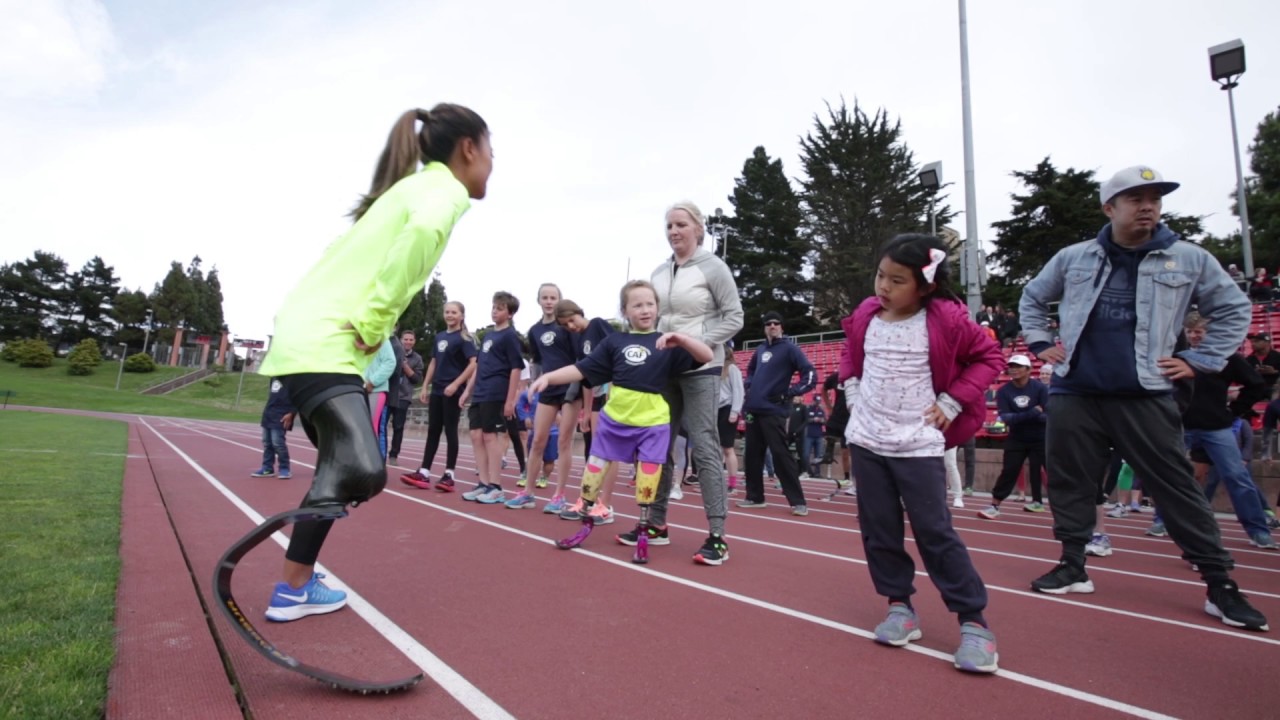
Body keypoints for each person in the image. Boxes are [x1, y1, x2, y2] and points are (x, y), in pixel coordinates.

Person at [256, 104, 492, 622]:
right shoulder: (442, 193)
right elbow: (422, 237)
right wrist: (372, 324)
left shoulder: (404, 189)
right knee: (360, 469)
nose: (492, 164)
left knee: (338, 469)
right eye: (490, 151)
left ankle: (296, 581)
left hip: (307, 333)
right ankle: (293, 587)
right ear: (468, 148)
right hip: (327, 339)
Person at [1020, 165, 1268, 632]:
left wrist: (1201, 359)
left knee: (1174, 485)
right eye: (1135, 199)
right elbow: (1032, 298)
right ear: (1109, 208)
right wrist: (1038, 342)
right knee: (1071, 482)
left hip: (1145, 394)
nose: (1148, 206)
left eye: (1154, 198)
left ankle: (1220, 584)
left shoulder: (1189, 259)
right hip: (1075, 389)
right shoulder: (1074, 257)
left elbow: (1234, 309)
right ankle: (1073, 564)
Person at [839, 234, 1003, 673]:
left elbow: (990, 358)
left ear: (925, 286)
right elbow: (849, 352)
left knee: (935, 532)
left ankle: (974, 623)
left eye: (896, 280)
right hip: (868, 440)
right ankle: (900, 607)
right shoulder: (867, 314)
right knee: (879, 530)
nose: (883, 287)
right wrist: (851, 386)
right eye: (880, 276)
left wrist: (953, 401)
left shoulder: (947, 318)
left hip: (917, 443)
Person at [531, 280, 712, 556]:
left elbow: (707, 356)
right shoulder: (615, 341)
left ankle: (643, 527)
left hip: (653, 422)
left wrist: (683, 339)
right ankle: (588, 516)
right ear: (625, 311)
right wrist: (548, 376)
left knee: (647, 479)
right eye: (637, 305)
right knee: (593, 471)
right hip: (616, 420)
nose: (645, 310)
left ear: (658, 308)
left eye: (650, 304)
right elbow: (581, 370)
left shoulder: (667, 343)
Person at [636, 201, 744, 566]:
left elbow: (735, 317)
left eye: (681, 224)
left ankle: (717, 534)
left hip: (701, 366)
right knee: (659, 444)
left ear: (698, 228)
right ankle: (656, 523)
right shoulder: (658, 272)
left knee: (704, 444)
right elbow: (651, 316)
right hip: (666, 369)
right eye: (668, 226)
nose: (673, 232)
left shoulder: (714, 267)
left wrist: (701, 342)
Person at [1178, 312, 1275, 548]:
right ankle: (1163, 522)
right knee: (1175, 477)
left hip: (1216, 426)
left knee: (1237, 477)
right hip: (1180, 425)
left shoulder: (1226, 357)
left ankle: (1258, 529)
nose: (1194, 336)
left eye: (1199, 331)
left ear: (1209, 333)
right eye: (1190, 332)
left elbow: (1256, 384)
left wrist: (1235, 411)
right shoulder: (1178, 356)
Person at [509, 284, 583, 512]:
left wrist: (576, 387)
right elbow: (538, 362)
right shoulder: (534, 331)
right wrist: (534, 387)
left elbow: (579, 357)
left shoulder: (567, 326)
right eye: (545, 297)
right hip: (547, 389)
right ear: (539, 301)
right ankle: (528, 492)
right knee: (537, 439)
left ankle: (559, 495)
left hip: (570, 386)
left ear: (559, 300)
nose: (549, 301)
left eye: (553, 297)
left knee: (563, 441)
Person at [736, 312, 817, 516]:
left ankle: (798, 501)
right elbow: (751, 371)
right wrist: (749, 385)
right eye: (768, 324)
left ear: (781, 326)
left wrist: (790, 393)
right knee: (752, 456)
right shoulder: (761, 349)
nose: (772, 326)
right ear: (764, 328)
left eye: (776, 323)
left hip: (774, 411)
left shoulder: (790, 349)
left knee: (781, 455)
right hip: (754, 409)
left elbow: (810, 375)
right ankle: (755, 497)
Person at [551, 299, 618, 522]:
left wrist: (610, 392)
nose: (571, 326)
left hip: (612, 395)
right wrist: (586, 412)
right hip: (595, 397)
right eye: (565, 324)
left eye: (572, 320)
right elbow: (586, 378)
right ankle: (587, 500)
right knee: (593, 451)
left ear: (579, 312)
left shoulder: (598, 325)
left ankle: (605, 504)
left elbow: (618, 355)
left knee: (607, 450)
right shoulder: (579, 340)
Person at [400, 301, 477, 491]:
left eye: (454, 312)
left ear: (461, 315)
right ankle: (424, 471)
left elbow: (473, 363)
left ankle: (449, 474)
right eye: (447, 312)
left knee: (450, 430)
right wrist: (425, 386)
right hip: (437, 389)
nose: (450, 315)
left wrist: (457, 384)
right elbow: (433, 363)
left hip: (453, 390)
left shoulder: (464, 338)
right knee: (433, 430)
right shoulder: (440, 336)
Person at [460, 291, 525, 504]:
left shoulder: (510, 337)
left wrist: (510, 400)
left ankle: (496, 486)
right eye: (494, 307)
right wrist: (467, 390)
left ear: (510, 313)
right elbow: (478, 366)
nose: (495, 311)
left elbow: (516, 368)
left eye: (500, 308)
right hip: (480, 392)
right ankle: (484, 483)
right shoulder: (488, 335)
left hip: (496, 391)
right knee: (476, 436)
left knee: (491, 436)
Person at [977, 354, 1049, 518]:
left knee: (1050, 471)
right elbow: (1007, 419)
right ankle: (995, 505)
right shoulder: (1004, 391)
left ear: (1028, 370)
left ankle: (1062, 507)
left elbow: (1047, 415)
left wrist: (1021, 417)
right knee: (1009, 471)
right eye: (1011, 366)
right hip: (1017, 438)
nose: (1013, 370)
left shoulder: (1040, 388)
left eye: (1018, 366)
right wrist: (1032, 413)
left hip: (1040, 437)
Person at [387, 330, 424, 463]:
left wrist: (405, 366)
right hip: (388, 393)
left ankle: (393, 455)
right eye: (405, 339)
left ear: (414, 341)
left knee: (398, 427)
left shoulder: (417, 358)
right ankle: (380, 451)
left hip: (404, 396)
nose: (408, 342)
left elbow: (416, 379)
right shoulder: (391, 351)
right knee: (382, 425)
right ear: (401, 340)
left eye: (411, 340)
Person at [252, 378, 296, 479]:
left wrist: (291, 413)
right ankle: (267, 468)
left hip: (282, 414)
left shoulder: (293, 378)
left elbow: (298, 398)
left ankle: (284, 468)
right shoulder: (274, 377)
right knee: (267, 443)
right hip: (269, 413)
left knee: (278, 443)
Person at [363, 338, 396, 459]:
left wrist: (372, 382)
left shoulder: (381, 339)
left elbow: (390, 362)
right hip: (355, 388)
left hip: (375, 390)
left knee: (371, 427)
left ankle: (373, 463)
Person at [717, 349, 745, 493]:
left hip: (727, 409)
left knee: (727, 447)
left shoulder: (732, 369)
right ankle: (716, 481)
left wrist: (735, 411)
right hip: (714, 410)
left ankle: (732, 484)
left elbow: (738, 390)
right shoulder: (714, 366)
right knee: (715, 449)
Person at [802, 395, 827, 479]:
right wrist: (813, 419)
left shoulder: (821, 410)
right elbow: (805, 420)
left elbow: (825, 421)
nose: (817, 403)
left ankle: (817, 473)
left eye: (819, 401)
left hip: (819, 435)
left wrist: (821, 420)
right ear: (813, 401)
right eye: (816, 401)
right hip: (809, 435)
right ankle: (808, 471)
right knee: (806, 455)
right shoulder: (808, 409)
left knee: (818, 455)